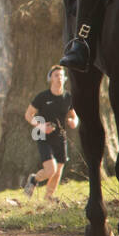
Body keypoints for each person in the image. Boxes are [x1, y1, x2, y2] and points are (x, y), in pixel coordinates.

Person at [23, 66, 78, 201]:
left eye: (61, 75)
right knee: (50, 170)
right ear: (50, 79)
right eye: (55, 75)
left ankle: (49, 197)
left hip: (61, 137)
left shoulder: (68, 97)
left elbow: (75, 116)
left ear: (64, 78)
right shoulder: (42, 97)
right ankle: (34, 179)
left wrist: (73, 122)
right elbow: (28, 115)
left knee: (58, 170)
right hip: (44, 137)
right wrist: (40, 125)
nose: (59, 78)